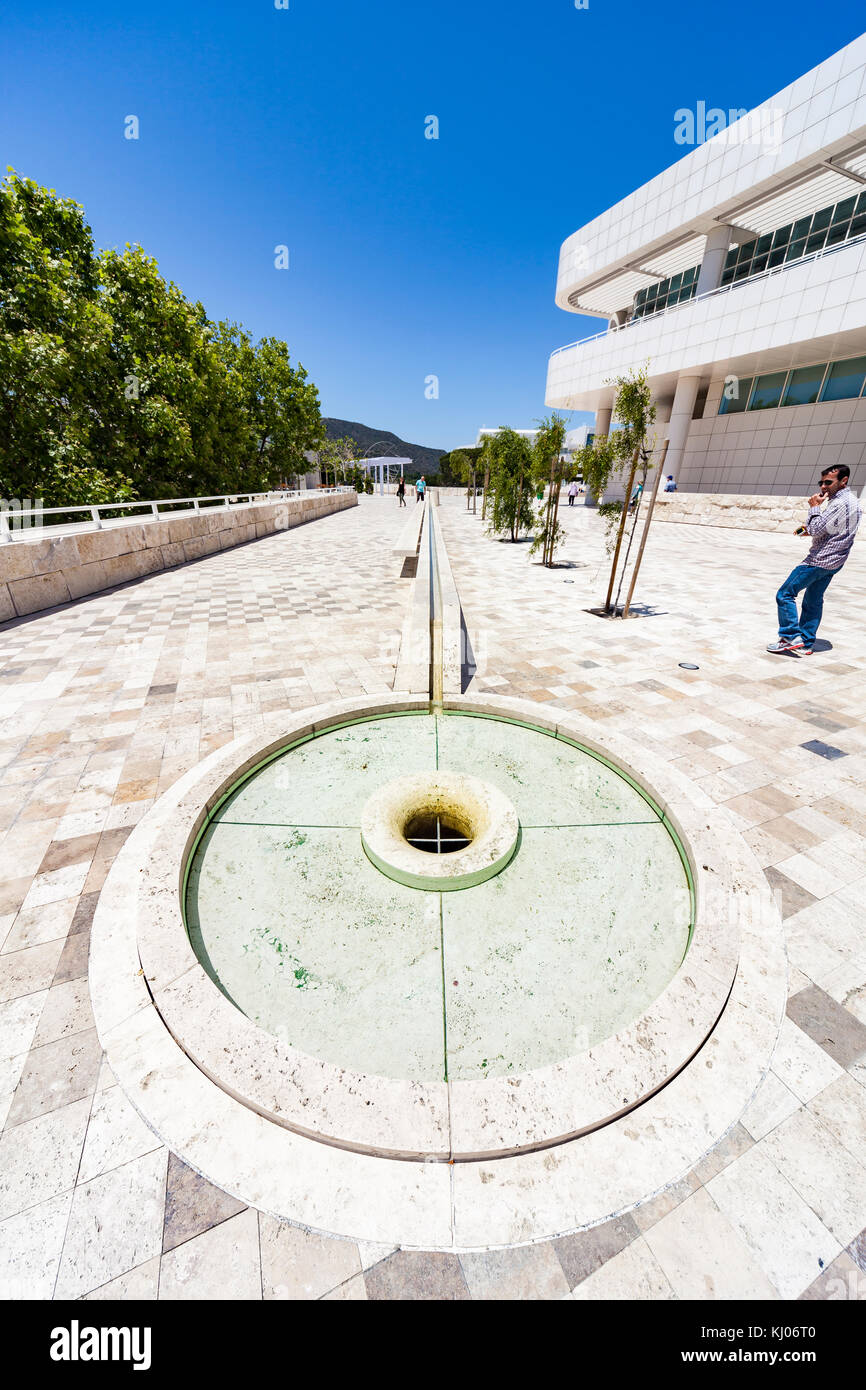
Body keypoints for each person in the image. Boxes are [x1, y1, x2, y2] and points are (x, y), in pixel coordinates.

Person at [767, 463, 861, 656]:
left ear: (844, 481)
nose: (823, 487)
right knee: (813, 601)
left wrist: (814, 507)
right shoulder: (853, 501)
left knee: (785, 594)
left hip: (819, 560)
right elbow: (829, 529)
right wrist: (808, 528)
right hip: (835, 561)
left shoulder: (838, 503)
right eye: (822, 482)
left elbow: (818, 529)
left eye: (828, 482)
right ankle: (806, 643)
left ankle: (790, 637)